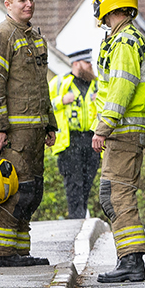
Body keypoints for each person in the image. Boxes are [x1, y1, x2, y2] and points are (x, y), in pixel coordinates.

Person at [0, 0, 56, 267]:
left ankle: (19, 252)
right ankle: (0, 253)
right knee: (16, 190)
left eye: (31, 0)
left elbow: (41, 85)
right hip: (14, 133)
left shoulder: (36, 37)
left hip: (35, 133)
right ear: (8, 5)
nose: (28, 4)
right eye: (22, 1)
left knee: (32, 191)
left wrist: (50, 123)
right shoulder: (1, 36)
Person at [90, 0, 145, 283]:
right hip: (125, 131)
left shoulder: (126, 42)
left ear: (107, 6)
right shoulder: (125, 39)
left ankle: (131, 261)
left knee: (118, 195)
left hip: (123, 132)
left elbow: (121, 89)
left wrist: (102, 128)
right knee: (112, 194)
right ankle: (128, 258)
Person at [50, 49, 99, 219]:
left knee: (87, 180)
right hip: (69, 140)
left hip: (92, 139)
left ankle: (81, 215)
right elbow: (45, 106)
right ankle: (75, 218)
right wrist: (61, 101)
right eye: (87, 63)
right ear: (76, 64)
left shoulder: (96, 85)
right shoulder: (60, 83)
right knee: (74, 182)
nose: (90, 66)